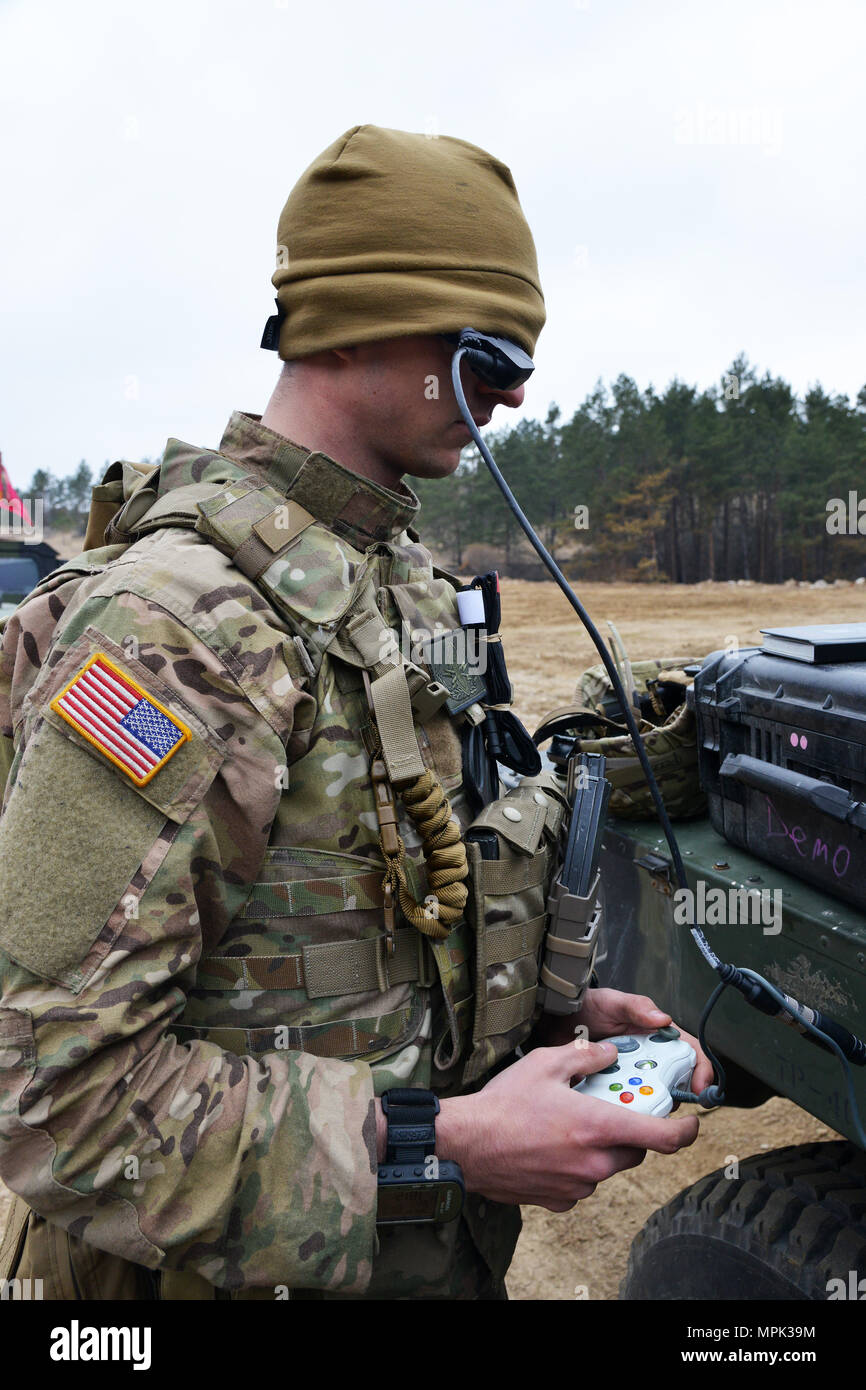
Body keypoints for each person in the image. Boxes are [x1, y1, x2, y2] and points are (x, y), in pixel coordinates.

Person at [0, 125, 708, 1301]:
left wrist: (539, 1021)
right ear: (364, 317)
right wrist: (446, 1141)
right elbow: (46, 1089)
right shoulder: (176, 627)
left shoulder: (394, 582)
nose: (516, 396)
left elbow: (366, 927)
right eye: (486, 358)